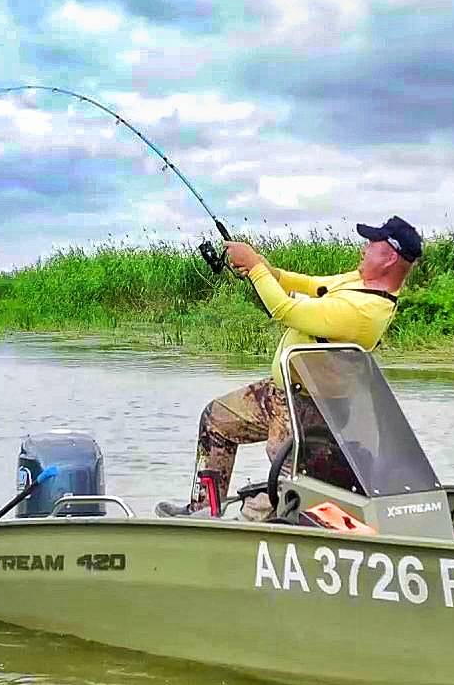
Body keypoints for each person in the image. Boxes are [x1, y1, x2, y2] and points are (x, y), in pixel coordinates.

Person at [158, 215, 422, 520]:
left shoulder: (366, 311)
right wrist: (269, 271)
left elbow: (285, 310)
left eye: (372, 244)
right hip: (279, 391)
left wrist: (255, 268)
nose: (364, 248)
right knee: (216, 419)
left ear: (389, 257)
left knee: (288, 481)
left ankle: (262, 530)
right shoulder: (358, 281)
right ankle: (203, 512)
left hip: (309, 405)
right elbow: (311, 285)